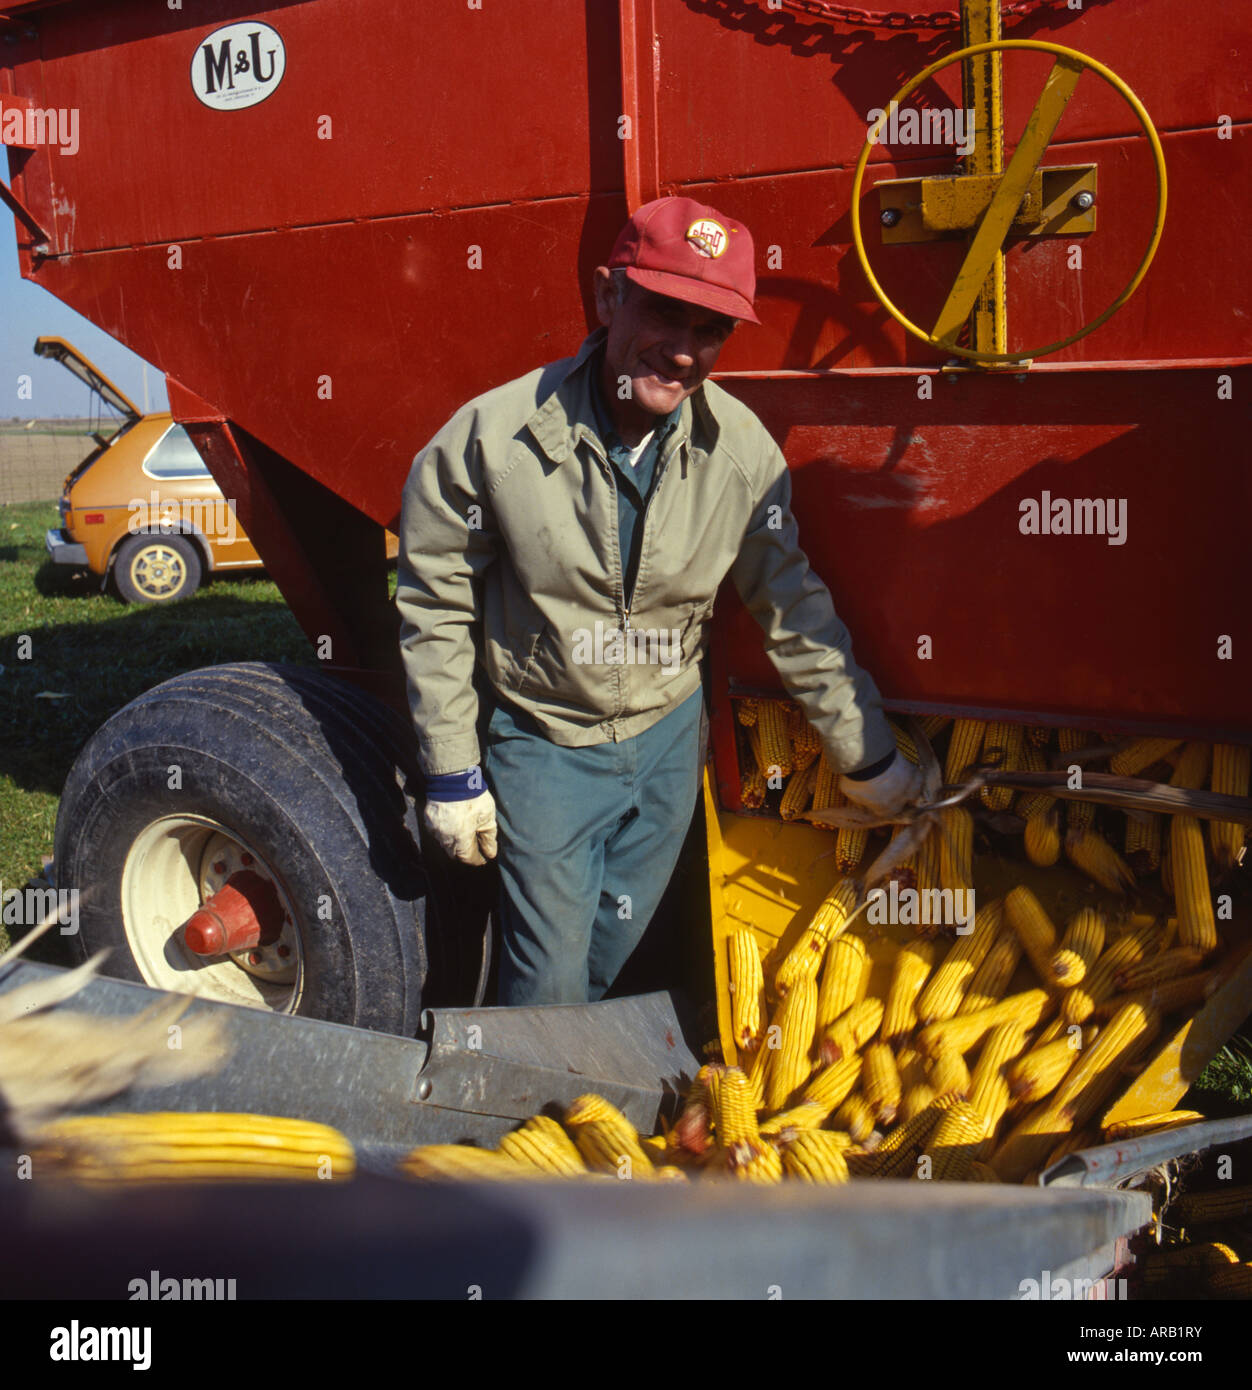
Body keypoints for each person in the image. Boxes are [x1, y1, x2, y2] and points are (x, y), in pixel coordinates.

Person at [396, 195, 920, 1006]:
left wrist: (869, 755)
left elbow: (793, 608)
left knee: (616, 952)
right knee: (548, 990)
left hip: (669, 745)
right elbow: (435, 604)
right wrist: (452, 771)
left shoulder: (739, 451)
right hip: (548, 742)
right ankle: (521, 1119)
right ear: (609, 297)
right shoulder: (492, 440)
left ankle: (586, 1104)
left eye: (709, 332)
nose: (683, 353)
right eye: (664, 314)